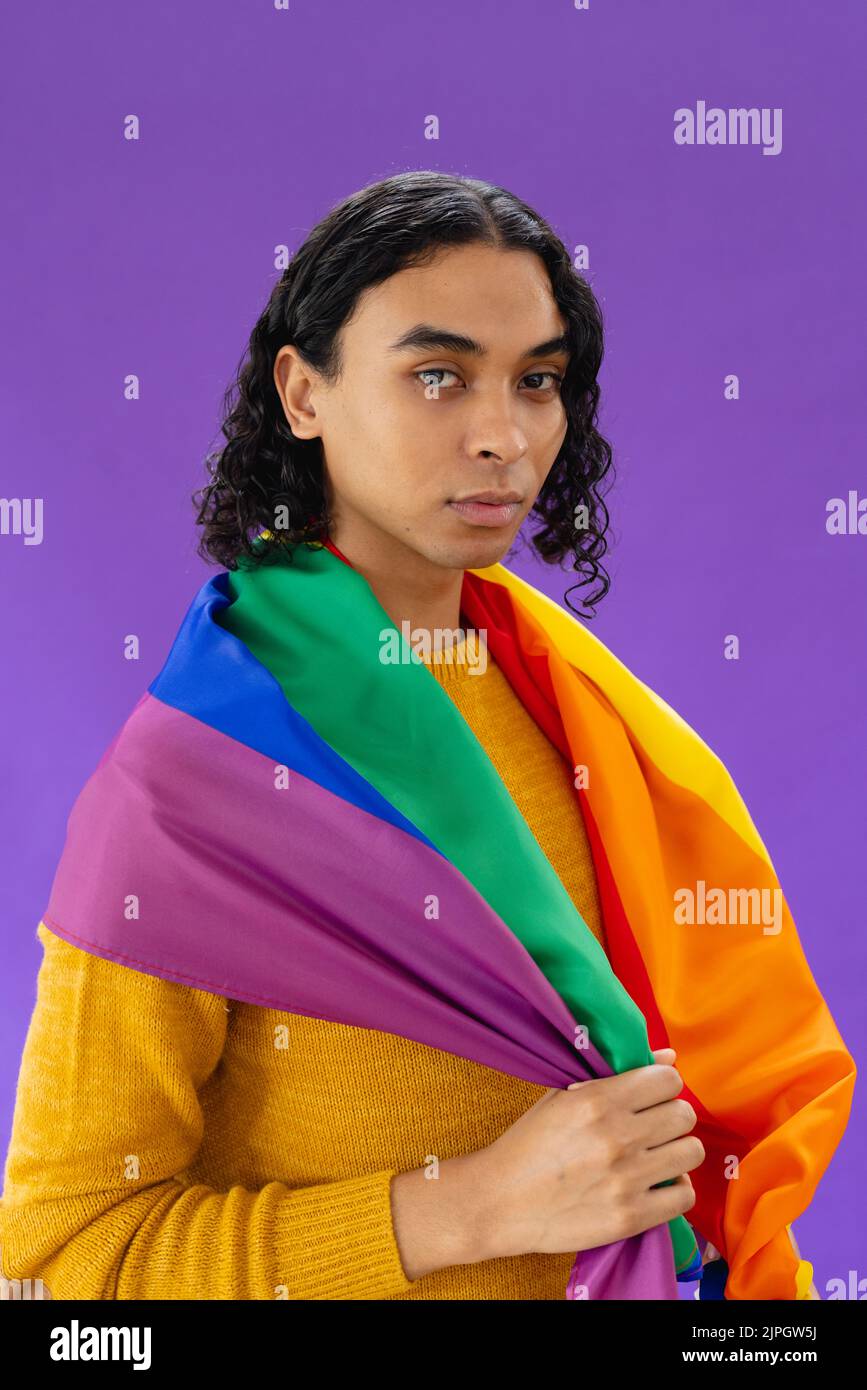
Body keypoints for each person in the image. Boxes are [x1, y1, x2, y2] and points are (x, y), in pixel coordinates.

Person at [0, 172, 850, 1301]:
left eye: (537, 381)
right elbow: (59, 1280)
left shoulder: (577, 706)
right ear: (303, 393)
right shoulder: (187, 789)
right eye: (439, 376)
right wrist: (473, 1206)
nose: (503, 435)